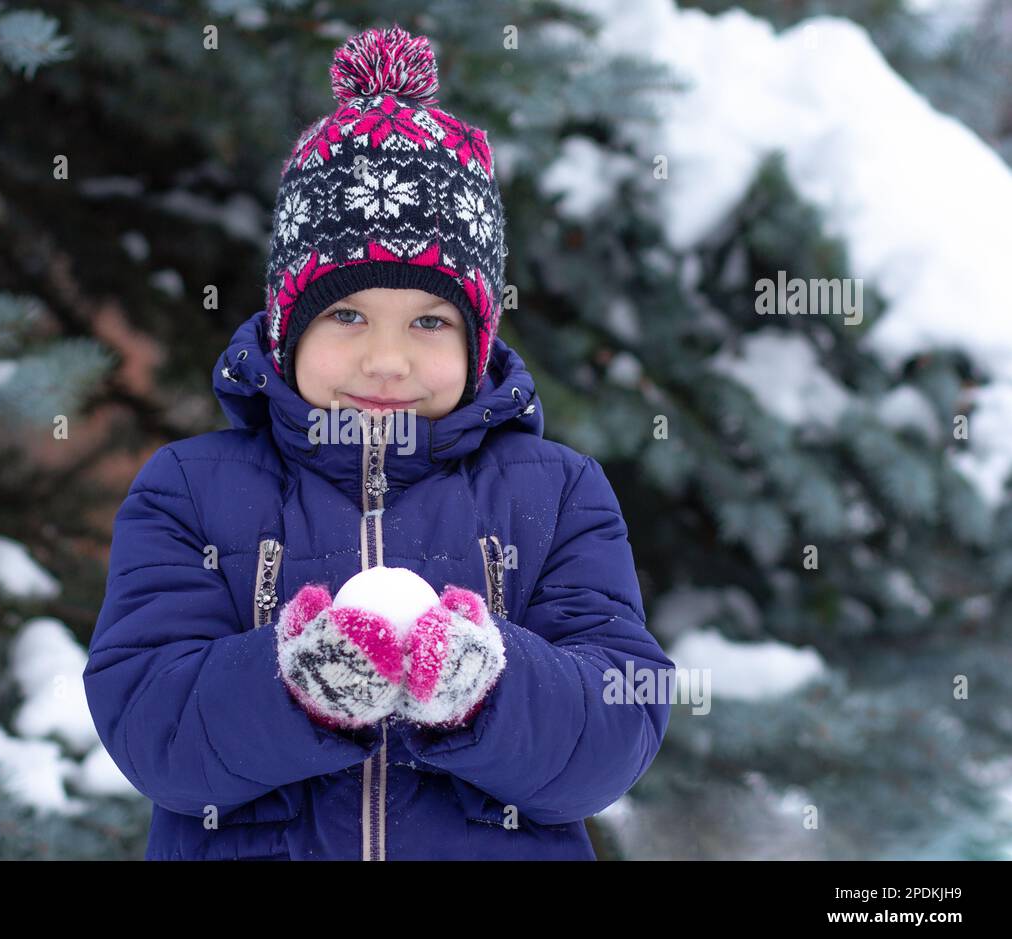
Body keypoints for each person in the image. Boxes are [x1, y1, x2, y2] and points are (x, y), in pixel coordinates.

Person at [83, 23, 673, 860]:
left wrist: (488, 688)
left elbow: (619, 720)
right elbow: (150, 721)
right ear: (289, 329)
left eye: (430, 321)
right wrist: (295, 686)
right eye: (348, 315)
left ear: (479, 339)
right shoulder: (189, 490)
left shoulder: (557, 492)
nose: (387, 360)